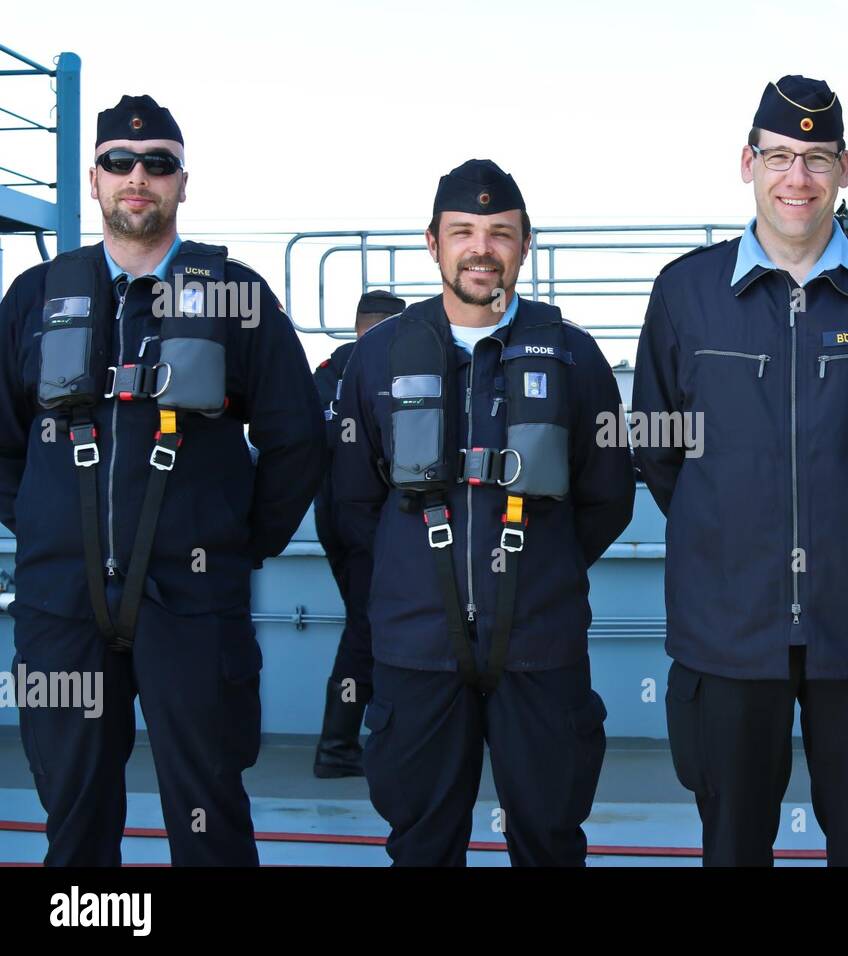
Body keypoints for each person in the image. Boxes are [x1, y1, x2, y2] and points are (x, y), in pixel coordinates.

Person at [632, 76, 848, 866]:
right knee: (735, 846)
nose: (797, 179)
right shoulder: (685, 294)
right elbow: (658, 448)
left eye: (816, 158)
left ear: (845, 168)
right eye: (779, 156)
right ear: (747, 163)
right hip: (729, 630)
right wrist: (736, 532)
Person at [0, 94, 325, 865]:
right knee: (72, 815)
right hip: (61, 605)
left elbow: (298, 438)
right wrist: (46, 527)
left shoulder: (236, 298)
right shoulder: (34, 299)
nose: (136, 176)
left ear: (183, 182)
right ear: (94, 180)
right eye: (119, 161)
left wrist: (234, 540)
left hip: (193, 600)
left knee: (208, 804)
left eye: (158, 163)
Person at [332, 159, 635, 865]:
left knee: (551, 839)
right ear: (432, 243)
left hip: (540, 645)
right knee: (422, 844)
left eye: (501, 233)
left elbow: (607, 497)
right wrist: (407, 590)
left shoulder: (574, 357)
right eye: (463, 230)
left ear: (525, 245)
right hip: (416, 651)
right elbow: (350, 506)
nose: (481, 247)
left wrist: (538, 574)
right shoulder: (376, 359)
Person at [311, 289, 405, 778]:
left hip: (333, 517)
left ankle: (351, 740)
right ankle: (339, 745)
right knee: (372, 629)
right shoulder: (393, 367)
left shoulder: (327, 372)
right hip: (375, 518)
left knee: (364, 624)